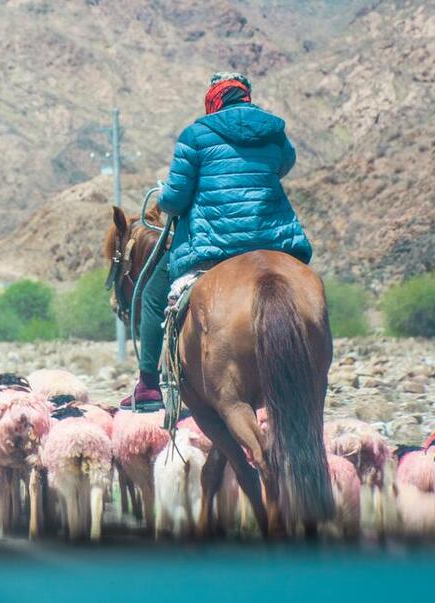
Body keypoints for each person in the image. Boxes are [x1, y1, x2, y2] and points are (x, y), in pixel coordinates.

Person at [120, 72, 312, 411]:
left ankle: (149, 386)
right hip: (275, 241)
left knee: (152, 294)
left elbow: (177, 200)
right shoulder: (275, 132)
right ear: (246, 97)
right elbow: (283, 166)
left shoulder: (197, 135)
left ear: (213, 100)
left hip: (214, 244)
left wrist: (163, 197)